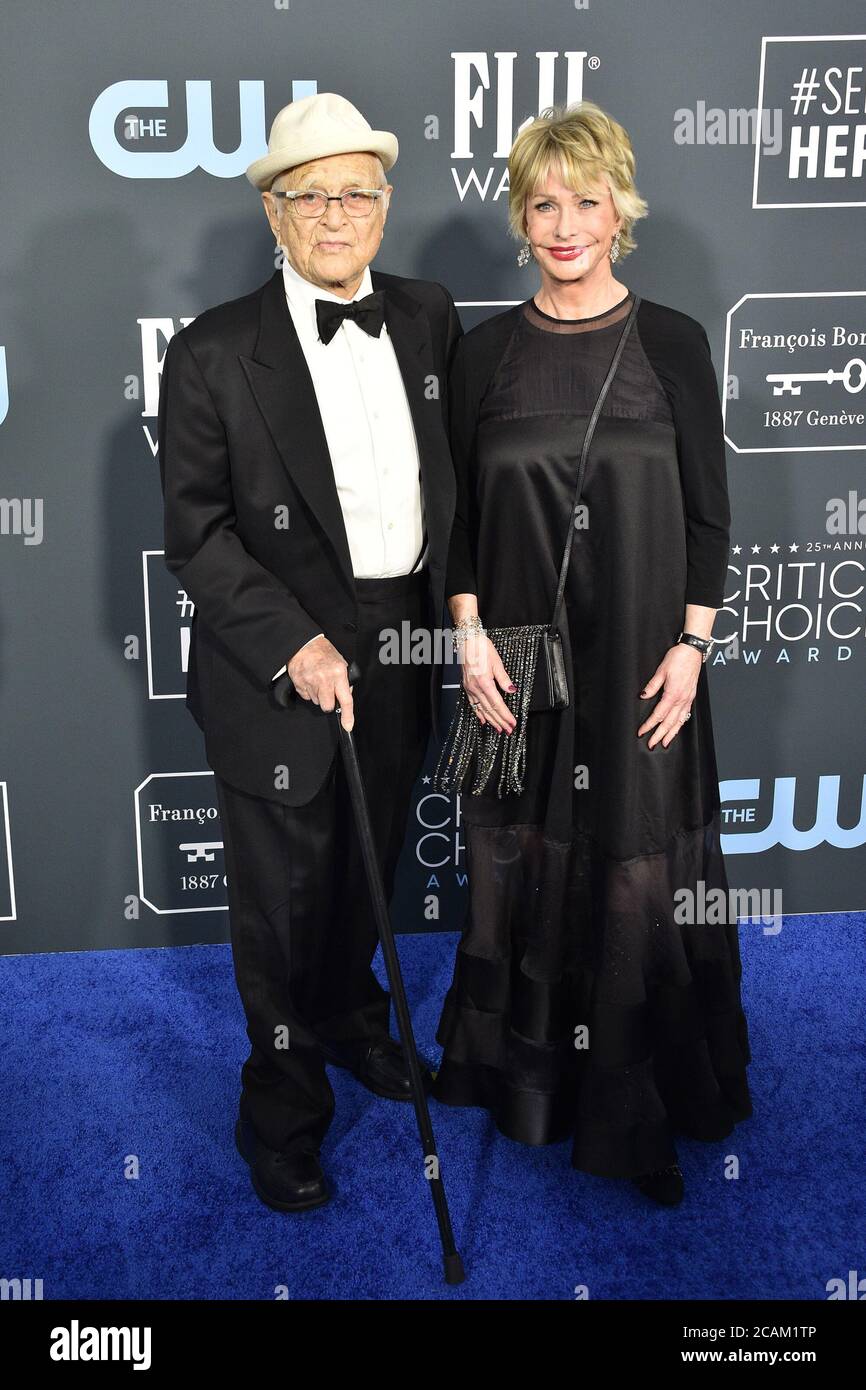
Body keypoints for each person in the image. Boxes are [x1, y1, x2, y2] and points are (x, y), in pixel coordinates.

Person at [432, 101, 752, 1206]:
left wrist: (692, 647)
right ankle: (525, 1081)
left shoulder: (670, 341)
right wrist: (465, 638)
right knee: (522, 866)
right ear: (519, 217)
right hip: (519, 667)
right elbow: (458, 522)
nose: (563, 223)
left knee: (631, 882)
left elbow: (710, 517)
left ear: (620, 205)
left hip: (639, 669)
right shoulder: (482, 355)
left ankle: (633, 1108)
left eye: (584, 198)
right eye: (541, 202)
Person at [158, 92, 462, 1212]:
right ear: (273, 214)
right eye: (310, 196)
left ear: (383, 207)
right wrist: (299, 644)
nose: (335, 215)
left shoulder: (427, 317)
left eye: (356, 193)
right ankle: (278, 1116)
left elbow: (456, 491)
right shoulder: (211, 352)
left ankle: (351, 1026)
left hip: (405, 644)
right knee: (283, 905)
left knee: (367, 868)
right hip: (276, 665)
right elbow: (195, 535)